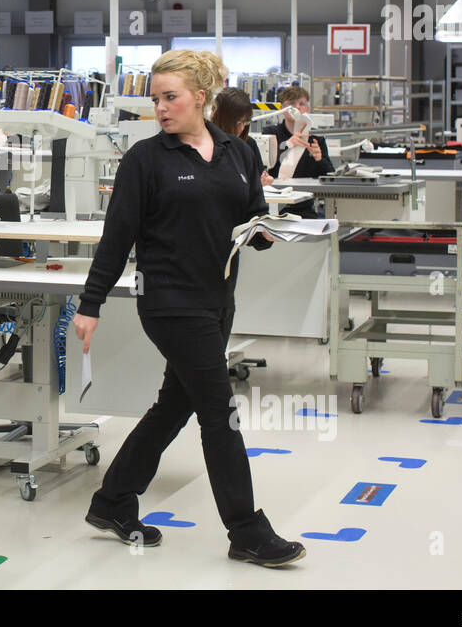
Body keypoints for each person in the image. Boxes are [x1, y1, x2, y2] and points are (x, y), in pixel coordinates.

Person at [74, 50, 305, 568]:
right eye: (156, 98)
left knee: (174, 406)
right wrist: (90, 304)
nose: (160, 107)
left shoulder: (238, 154)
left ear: (200, 97)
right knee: (219, 413)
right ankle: (246, 530)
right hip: (170, 303)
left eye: (170, 97)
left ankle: (112, 501)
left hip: (218, 300)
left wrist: (269, 232)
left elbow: (252, 223)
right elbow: (117, 238)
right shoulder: (146, 160)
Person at [263, 84, 332, 218]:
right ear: (282, 109)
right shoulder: (271, 134)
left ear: (308, 108)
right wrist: (287, 146)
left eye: (302, 103)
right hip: (273, 205)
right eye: (292, 104)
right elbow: (264, 168)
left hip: (303, 207)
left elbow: (329, 175)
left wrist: (319, 159)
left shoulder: (315, 139)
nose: (298, 107)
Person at [212, 87, 274, 188]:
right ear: (221, 118)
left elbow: (258, 176)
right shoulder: (207, 146)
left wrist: (264, 182)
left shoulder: (249, 144)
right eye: (237, 122)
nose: (241, 128)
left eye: (245, 122)